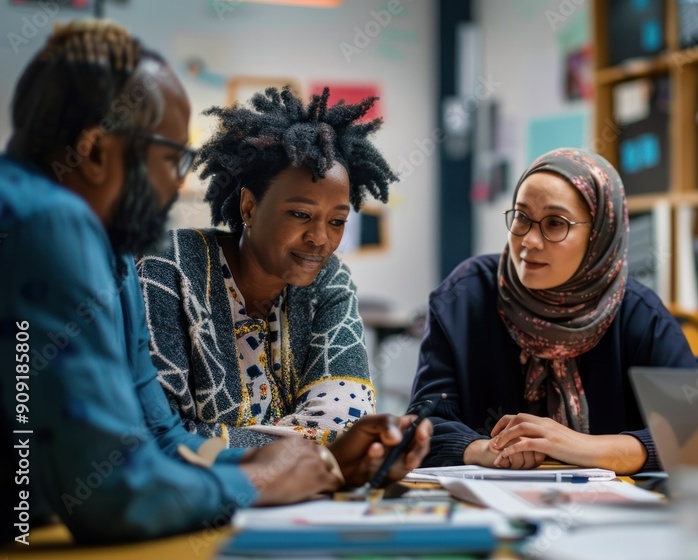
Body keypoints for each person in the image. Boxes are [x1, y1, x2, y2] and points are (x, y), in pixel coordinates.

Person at [0, 21, 428, 544]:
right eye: (169, 157)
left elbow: (161, 440)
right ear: (93, 151)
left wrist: (321, 459)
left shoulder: (110, 252)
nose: (176, 182)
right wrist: (258, 479)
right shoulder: (51, 223)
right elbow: (112, 493)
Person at [409, 148, 698, 474]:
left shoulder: (639, 315)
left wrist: (579, 446)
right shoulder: (466, 296)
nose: (529, 240)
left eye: (555, 223)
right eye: (521, 216)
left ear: (599, 234)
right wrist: (482, 450)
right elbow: (421, 422)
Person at [136, 86, 396, 448]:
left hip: (299, 501)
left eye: (336, 221)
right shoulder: (168, 268)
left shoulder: (329, 280)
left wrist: (222, 441)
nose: (320, 239)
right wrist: (319, 449)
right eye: (300, 215)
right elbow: (159, 436)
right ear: (248, 208)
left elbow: (346, 422)